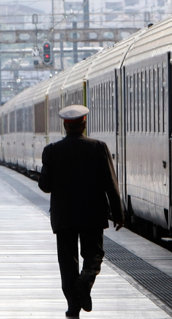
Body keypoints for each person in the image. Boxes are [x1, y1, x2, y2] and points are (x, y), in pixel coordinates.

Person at [38, 104, 125, 318]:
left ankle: (73, 307)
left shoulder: (52, 151)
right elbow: (110, 184)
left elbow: (45, 186)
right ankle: (85, 281)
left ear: (65, 126)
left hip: (64, 216)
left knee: (67, 261)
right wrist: (118, 213)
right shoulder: (98, 148)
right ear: (84, 124)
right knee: (94, 254)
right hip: (92, 215)